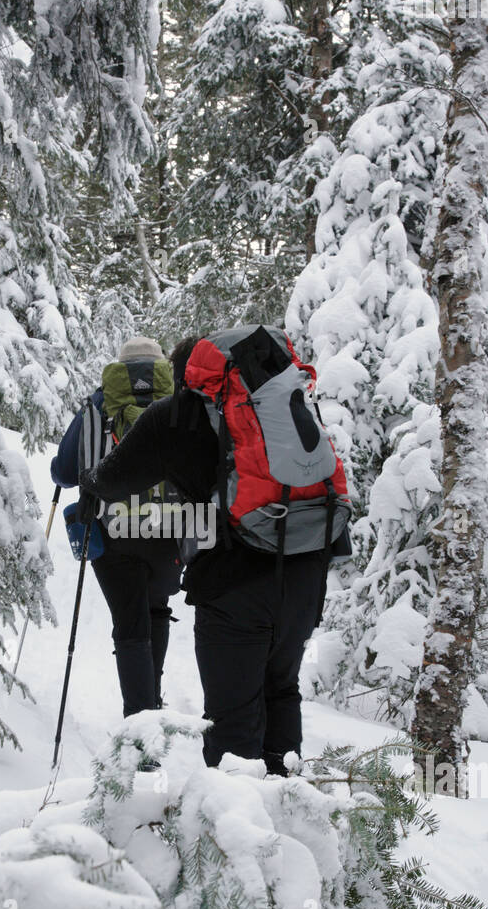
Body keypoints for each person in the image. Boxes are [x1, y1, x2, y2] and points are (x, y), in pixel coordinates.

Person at [76, 326, 347, 774]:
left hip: (234, 582)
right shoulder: (278, 405)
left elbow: (115, 478)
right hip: (304, 571)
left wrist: (89, 484)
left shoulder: (175, 415)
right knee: (281, 689)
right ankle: (288, 813)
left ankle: (236, 832)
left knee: (233, 719)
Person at [51, 336, 181, 717]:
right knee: (156, 609)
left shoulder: (99, 404)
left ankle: (140, 721)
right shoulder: (179, 403)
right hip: (169, 527)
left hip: (112, 531)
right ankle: (151, 706)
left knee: (130, 623)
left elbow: (64, 473)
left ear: (119, 367)